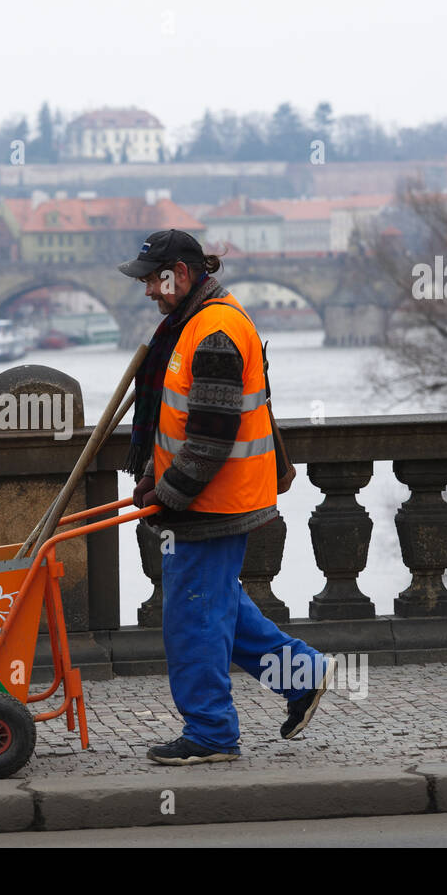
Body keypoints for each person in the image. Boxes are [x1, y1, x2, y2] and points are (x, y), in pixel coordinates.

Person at [118, 229, 336, 765]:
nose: (147, 290)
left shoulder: (213, 332)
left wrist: (168, 494)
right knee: (220, 608)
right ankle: (302, 676)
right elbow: (186, 423)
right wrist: (155, 474)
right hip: (213, 495)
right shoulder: (198, 321)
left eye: (153, 278)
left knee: (192, 617)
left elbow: (212, 437)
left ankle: (212, 733)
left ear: (182, 274)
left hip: (211, 501)